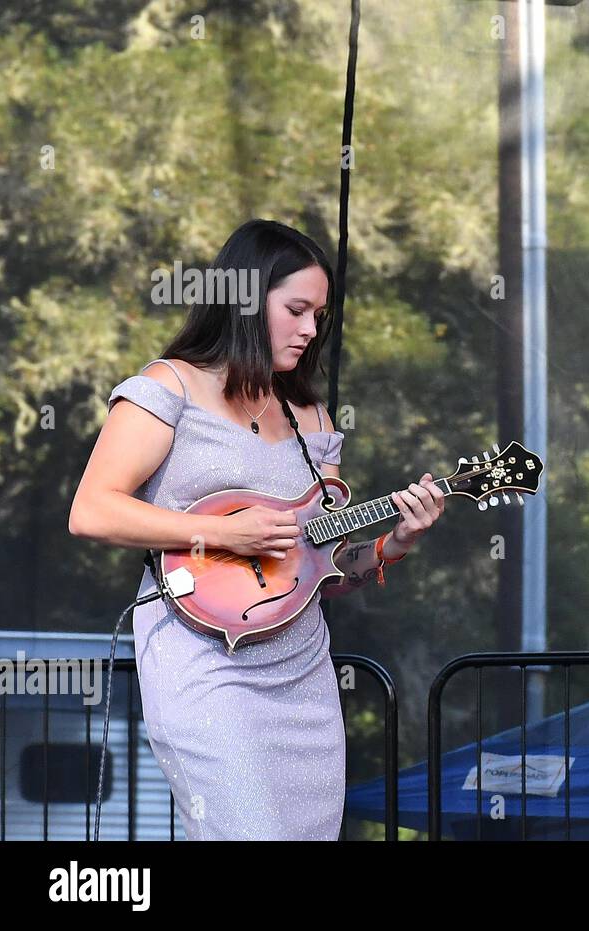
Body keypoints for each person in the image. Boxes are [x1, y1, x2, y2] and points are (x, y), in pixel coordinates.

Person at [68, 219, 446, 840]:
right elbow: (91, 511)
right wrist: (223, 536)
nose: (309, 329)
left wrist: (393, 543)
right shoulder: (170, 387)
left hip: (302, 670)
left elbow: (319, 572)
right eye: (296, 309)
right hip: (201, 662)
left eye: (319, 315)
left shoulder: (311, 416)